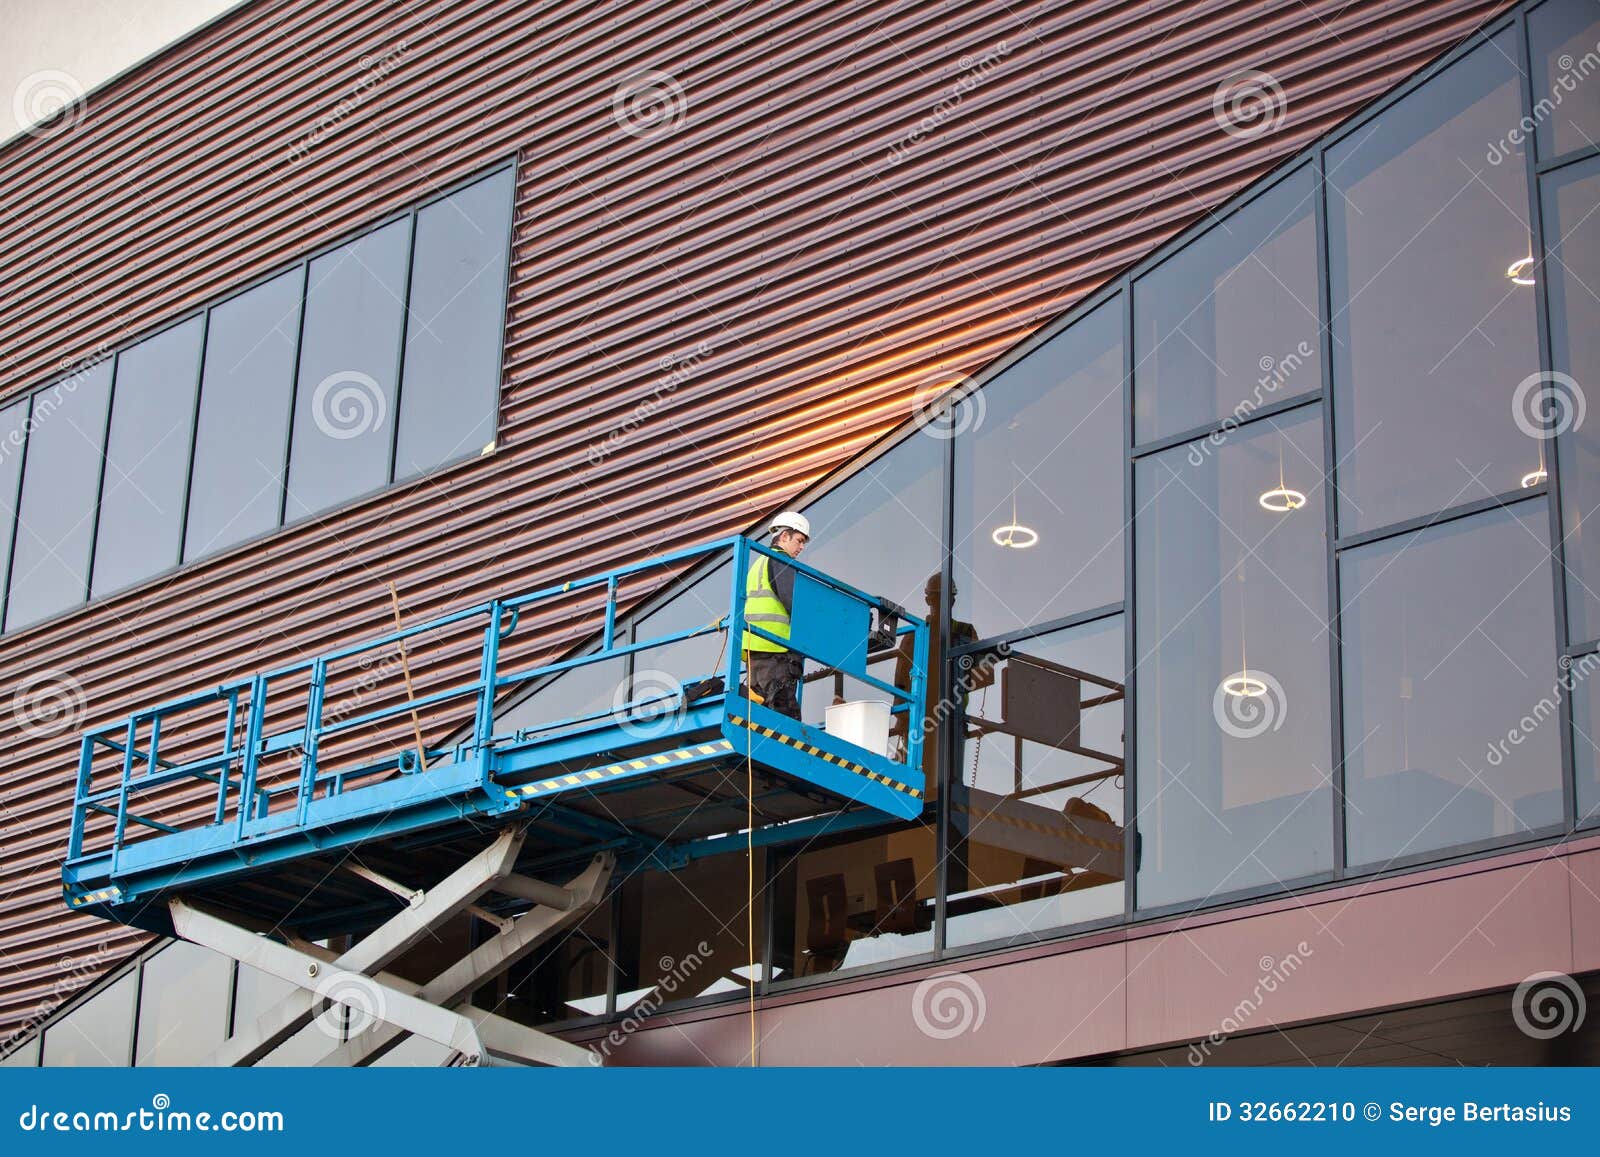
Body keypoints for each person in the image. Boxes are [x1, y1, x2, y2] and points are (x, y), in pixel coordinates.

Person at [742, 511, 810, 719]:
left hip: (756, 650)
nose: (801, 547)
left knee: (761, 710)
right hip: (775, 651)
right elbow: (795, 603)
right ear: (784, 537)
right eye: (799, 540)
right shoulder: (780, 561)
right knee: (783, 712)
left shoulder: (758, 564)